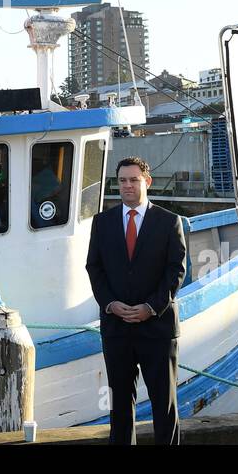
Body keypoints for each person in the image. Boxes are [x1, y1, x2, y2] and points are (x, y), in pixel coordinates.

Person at [86, 156, 187, 445]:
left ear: (147, 182)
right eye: (122, 181)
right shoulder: (102, 222)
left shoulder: (169, 222)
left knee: (163, 407)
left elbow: (175, 271)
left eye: (133, 179)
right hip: (117, 329)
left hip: (157, 328)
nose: (127, 185)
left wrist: (150, 308)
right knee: (119, 408)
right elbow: (95, 268)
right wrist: (110, 304)